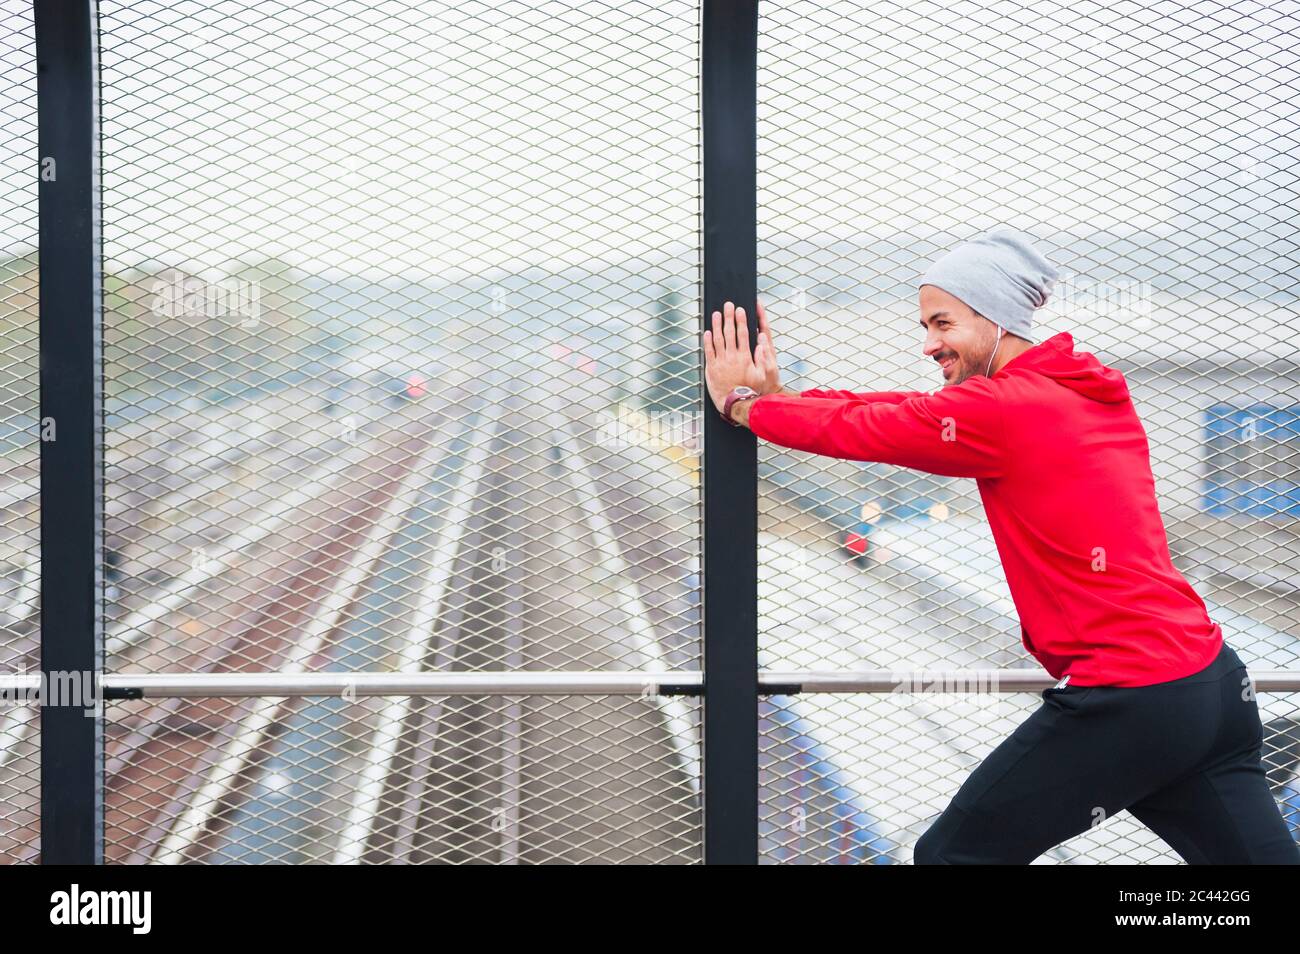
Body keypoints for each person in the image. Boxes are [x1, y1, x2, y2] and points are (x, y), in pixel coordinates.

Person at [703, 228, 1300, 864]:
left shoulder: (1005, 409)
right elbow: (904, 406)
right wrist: (781, 399)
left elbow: (874, 426)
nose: (929, 343)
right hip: (1208, 683)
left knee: (952, 857)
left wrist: (744, 406)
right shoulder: (1078, 392)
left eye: (943, 322)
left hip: (1133, 694)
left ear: (995, 319)